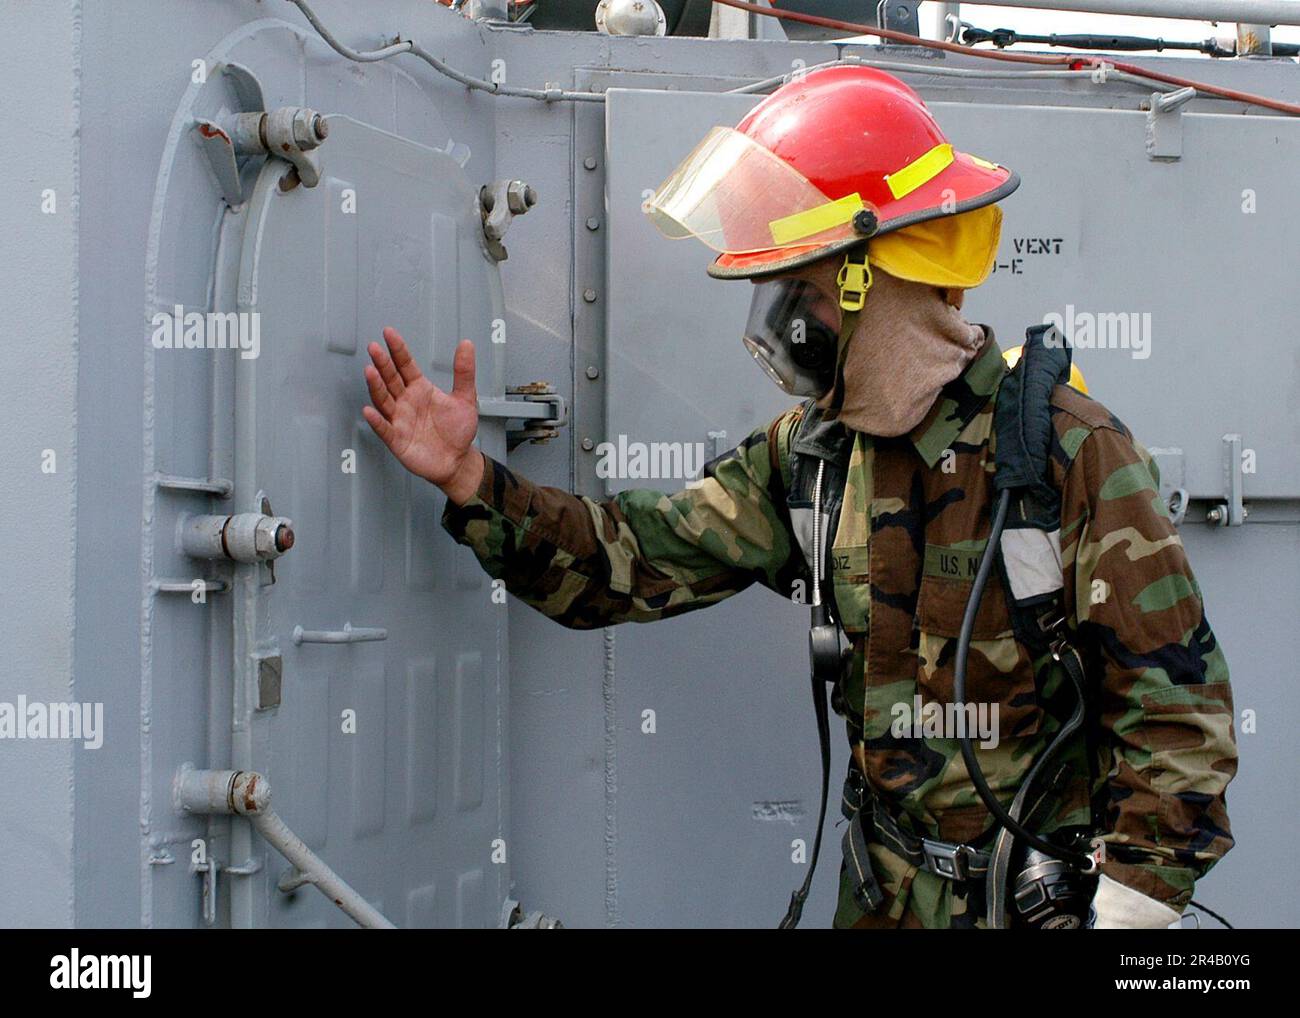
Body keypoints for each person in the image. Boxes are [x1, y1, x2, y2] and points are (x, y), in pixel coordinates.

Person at [361, 66, 1236, 929]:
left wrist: (1129, 916)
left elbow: (1177, 711)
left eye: (801, 293)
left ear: (868, 278)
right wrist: (471, 481)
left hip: (1028, 904)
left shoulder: (1065, 450)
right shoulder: (810, 456)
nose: (783, 324)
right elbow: (629, 561)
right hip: (879, 897)